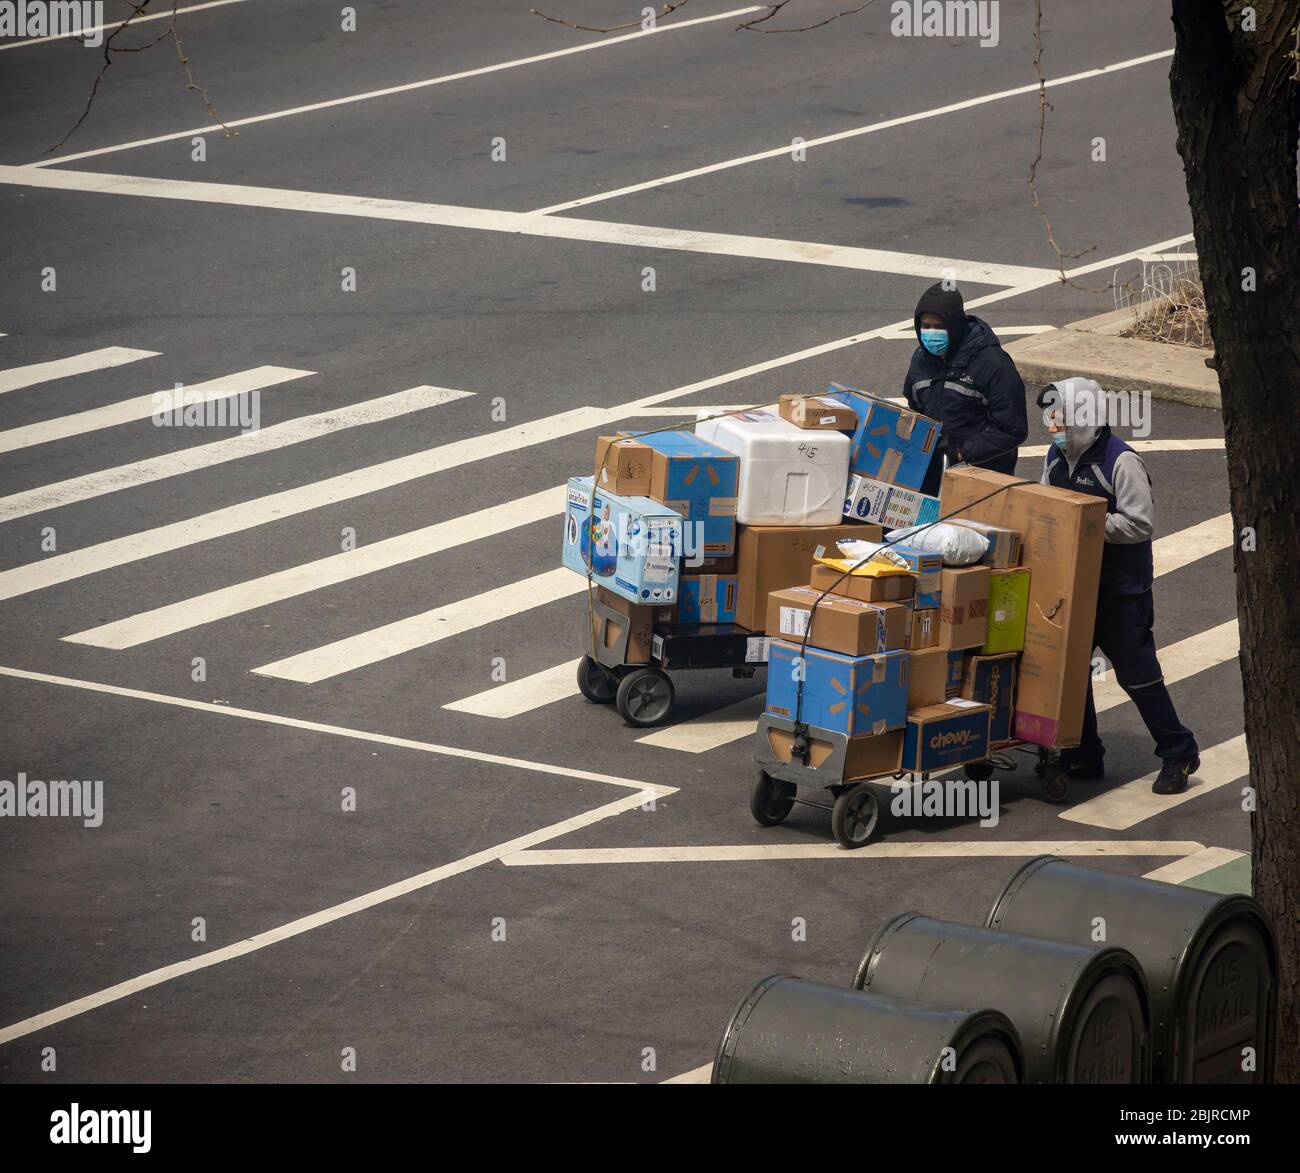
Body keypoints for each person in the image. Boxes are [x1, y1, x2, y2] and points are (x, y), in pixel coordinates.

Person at [1038, 377, 1200, 794]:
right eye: (1049, 415)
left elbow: (1140, 523)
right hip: (1075, 588)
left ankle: (1178, 751)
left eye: (1061, 416)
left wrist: (1088, 523)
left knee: (1139, 676)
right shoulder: (1056, 460)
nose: (1053, 424)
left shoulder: (1121, 462)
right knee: (1072, 675)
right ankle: (1085, 753)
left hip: (1120, 593)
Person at [903, 282, 1029, 495]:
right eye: (926, 326)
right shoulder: (921, 359)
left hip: (981, 477)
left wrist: (961, 454)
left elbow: (1011, 428)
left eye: (938, 327)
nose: (931, 334)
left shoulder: (993, 364)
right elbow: (915, 406)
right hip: (932, 473)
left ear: (954, 325)